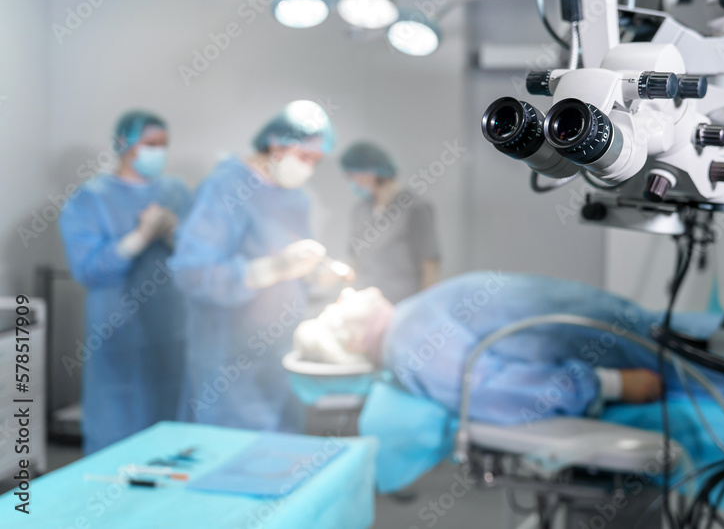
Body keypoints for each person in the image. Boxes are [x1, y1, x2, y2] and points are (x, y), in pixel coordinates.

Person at [293, 272, 704, 423]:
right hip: (644, 362)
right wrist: (611, 385)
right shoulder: (410, 345)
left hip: (638, 333)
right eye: (335, 310)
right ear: (350, 341)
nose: (344, 296)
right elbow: (491, 388)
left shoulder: (409, 319)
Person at [169, 100, 337, 431]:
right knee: (230, 455)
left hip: (279, 354)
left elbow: (294, 261)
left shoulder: (295, 197)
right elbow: (191, 272)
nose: (309, 168)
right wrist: (268, 270)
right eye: (304, 158)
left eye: (316, 161)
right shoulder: (225, 188)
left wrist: (317, 273)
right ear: (276, 145)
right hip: (229, 356)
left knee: (280, 456)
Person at [59, 110, 192, 453]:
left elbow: (199, 259)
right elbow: (88, 270)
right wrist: (140, 236)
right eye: (150, 144)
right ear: (123, 145)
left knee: (172, 432)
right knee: (117, 431)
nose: (158, 151)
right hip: (117, 330)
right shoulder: (90, 199)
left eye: (163, 144)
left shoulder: (176, 192)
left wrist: (175, 234)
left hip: (172, 329)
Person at [340, 141, 441, 304]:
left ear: (371, 172)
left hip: (403, 302)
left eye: (354, 176)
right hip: (365, 303)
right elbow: (354, 258)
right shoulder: (361, 209)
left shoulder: (415, 208)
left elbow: (430, 264)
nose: (354, 182)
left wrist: (425, 307)